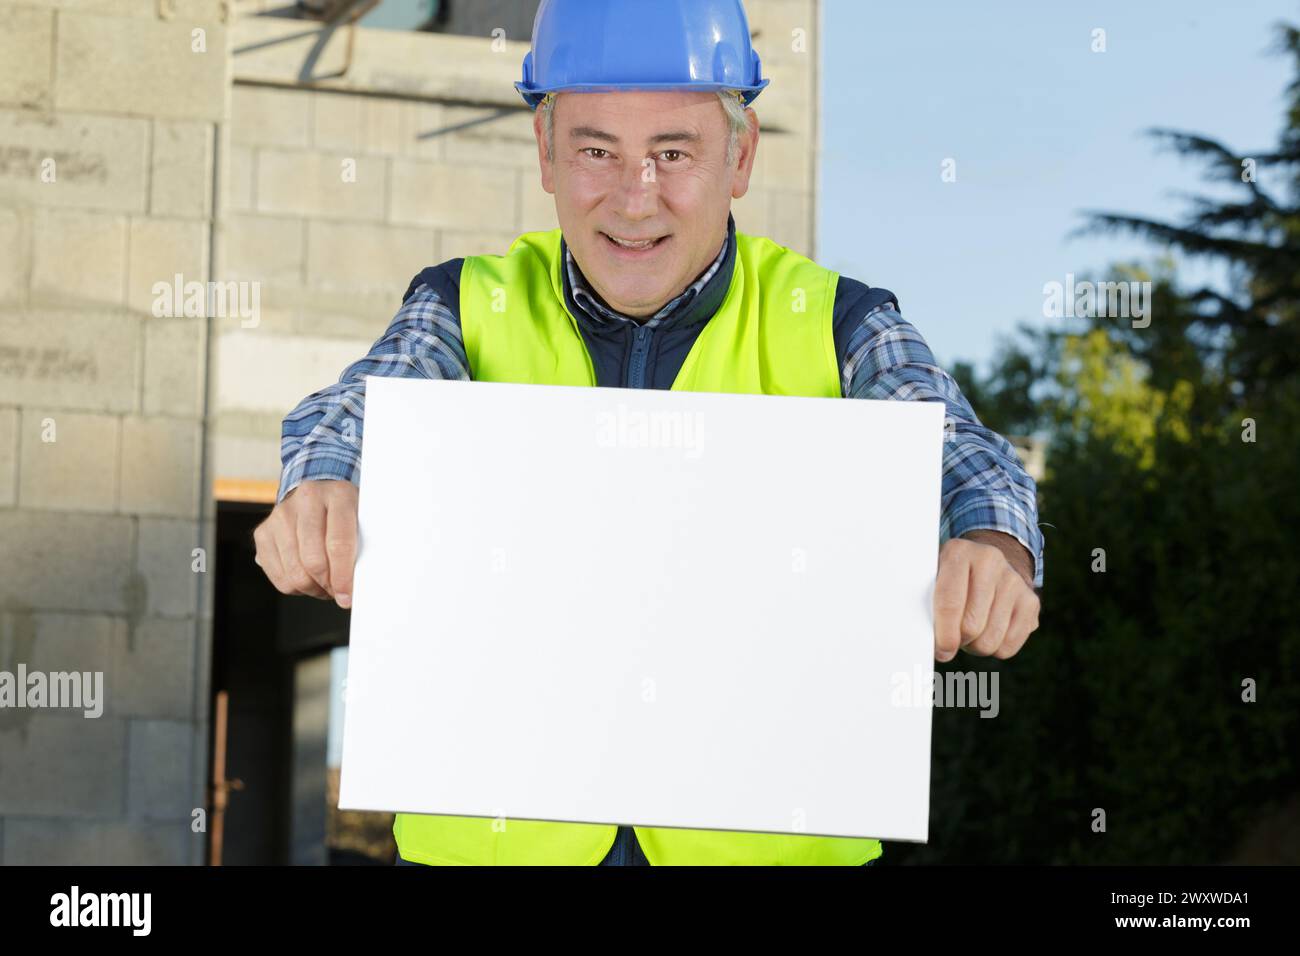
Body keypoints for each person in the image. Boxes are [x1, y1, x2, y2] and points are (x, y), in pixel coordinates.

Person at [254, 0, 1043, 866]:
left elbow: (962, 452)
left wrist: (992, 542)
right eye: (597, 150)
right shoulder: (462, 306)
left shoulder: (836, 322)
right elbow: (361, 407)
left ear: (740, 157)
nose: (635, 197)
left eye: (674, 152)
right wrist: (321, 482)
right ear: (546, 154)